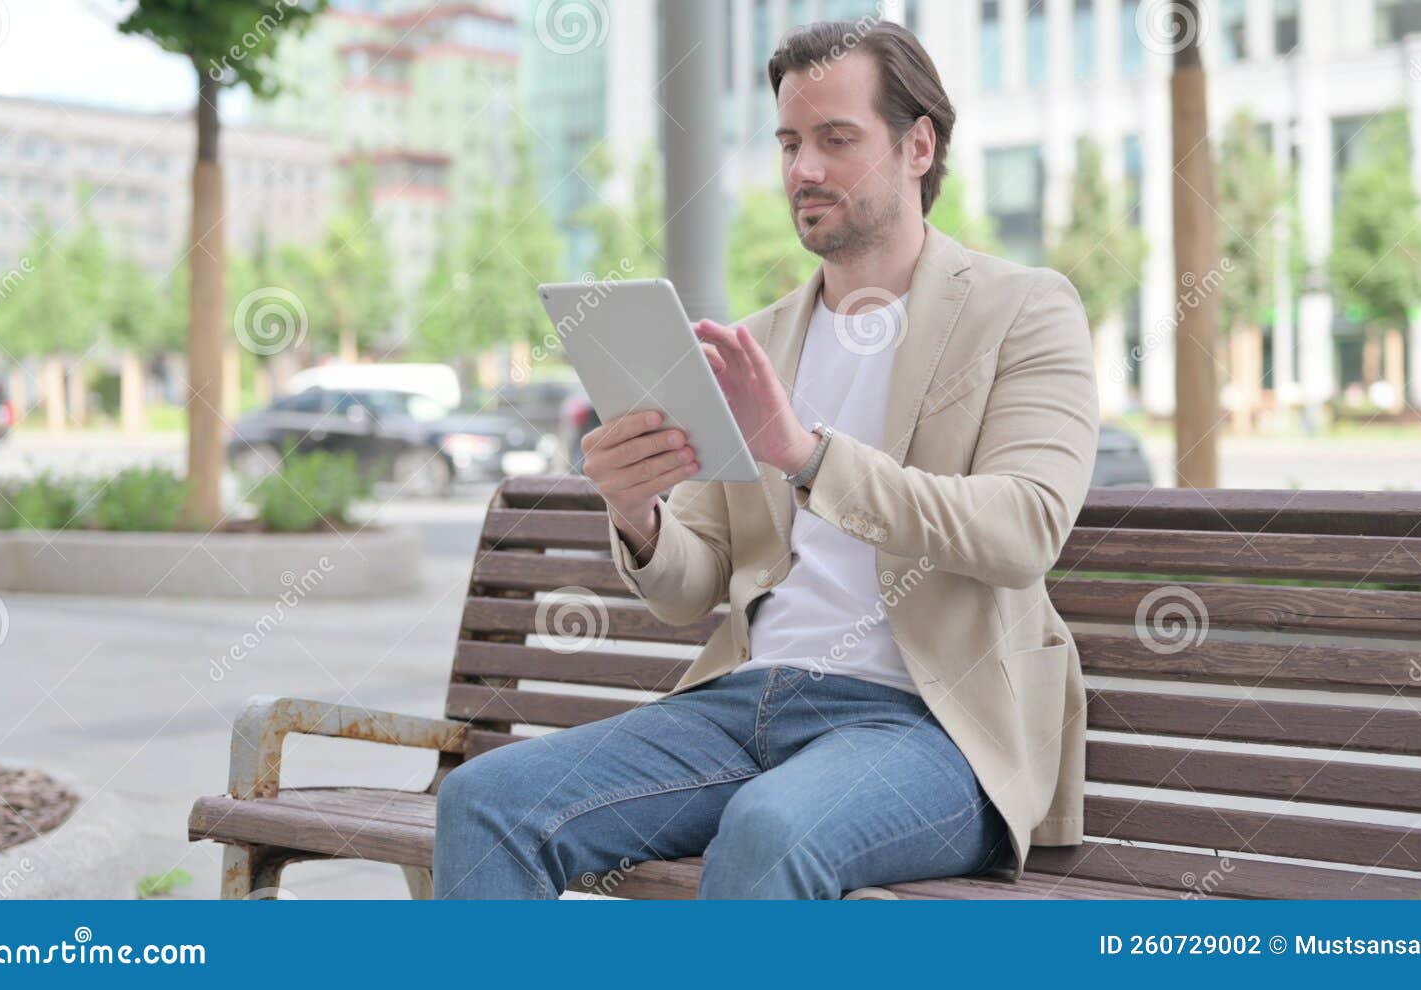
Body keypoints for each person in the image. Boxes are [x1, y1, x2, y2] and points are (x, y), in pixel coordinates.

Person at [434, 19, 1099, 900]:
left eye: (835, 139)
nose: (803, 170)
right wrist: (637, 517)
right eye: (789, 142)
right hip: (745, 704)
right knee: (486, 800)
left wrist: (809, 456)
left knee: (769, 829)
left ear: (917, 145)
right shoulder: (761, 343)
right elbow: (691, 583)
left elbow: (1023, 531)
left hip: (932, 731)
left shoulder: (1024, 310)